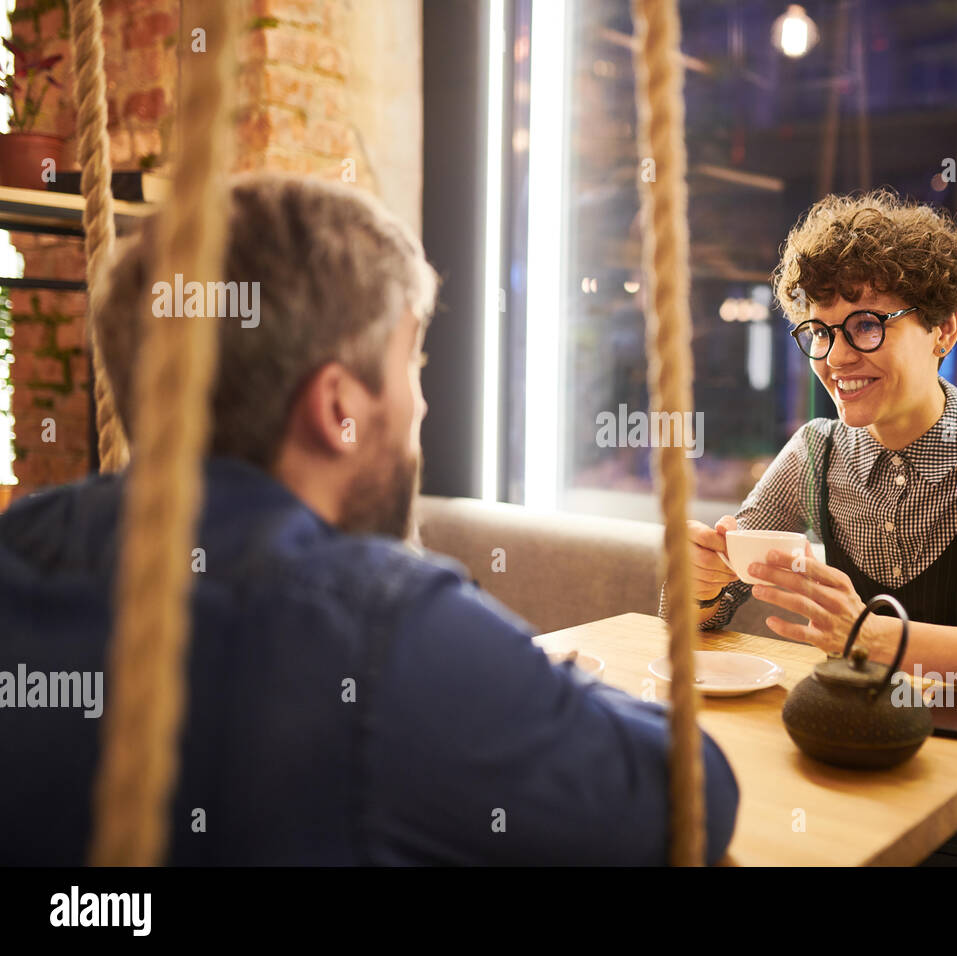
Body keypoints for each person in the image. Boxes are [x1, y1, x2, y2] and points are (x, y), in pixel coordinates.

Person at [0, 172, 738, 865]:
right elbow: (692, 794)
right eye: (411, 362)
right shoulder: (381, 629)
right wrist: (524, 674)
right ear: (339, 411)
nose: (421, 403)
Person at [668, 190, 957, 866]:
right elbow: (700, 618)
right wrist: (701, 583)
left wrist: (875, 638)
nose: (837, 357)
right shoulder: (813, 452)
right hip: (843, 755)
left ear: (943, 331)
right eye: (819, 331)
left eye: (867, 324)